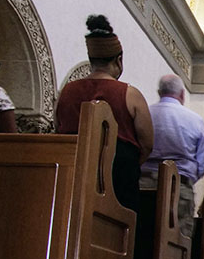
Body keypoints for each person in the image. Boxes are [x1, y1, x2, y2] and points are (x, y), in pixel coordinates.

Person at [56, 15, 153, 213]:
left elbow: (58, 129)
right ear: (119, 60)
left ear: (91, 60)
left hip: (72, 177)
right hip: (118, 182)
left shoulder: (67, 91)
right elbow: (147, 145)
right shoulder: (130, 94)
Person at [140, 74, 204, 238]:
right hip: (180, 186)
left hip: (144, 184)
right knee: (180, 238)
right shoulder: (195, 120)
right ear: (183, 94)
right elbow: (203, 161)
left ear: (159, 92)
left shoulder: (145, 114)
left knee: (143, 233)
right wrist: (188, 178)